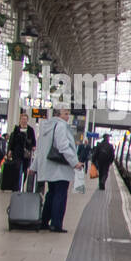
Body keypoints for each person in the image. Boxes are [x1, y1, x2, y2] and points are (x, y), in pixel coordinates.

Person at [32, 99, 83, 233]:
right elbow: (63, 147)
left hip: (49, 168)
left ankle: (44, 221)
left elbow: (40, 149)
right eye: (66, 113)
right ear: (58, 114)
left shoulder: (46, 127)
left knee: (51, 194)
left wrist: (33, 167)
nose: (68, 116)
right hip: (60, 168)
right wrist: (75, 162)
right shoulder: (61, 126)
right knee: (60, 195)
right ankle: (56, 224)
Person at [3, 111, 36, 191]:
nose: (23, 121)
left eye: (25, 119)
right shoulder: (16, 129)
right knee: (16, 168)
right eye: (22, 119)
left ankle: (22, 184)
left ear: (27, 120)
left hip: (26, 153)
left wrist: (33, 146)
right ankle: (15, 186)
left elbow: (33, 140)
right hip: (17, 152)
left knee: (24, 169)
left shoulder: (30, 130)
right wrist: (10, 150)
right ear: (20, 120)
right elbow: (12, 140)